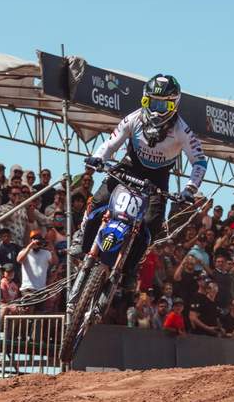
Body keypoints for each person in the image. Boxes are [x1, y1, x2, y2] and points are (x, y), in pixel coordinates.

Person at [75, 73, 206, 291]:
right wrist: (98, 158)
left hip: (157, 180)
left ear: (174, 105)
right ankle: (81, 241)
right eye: (152, 103)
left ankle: (129, 270)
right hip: (128, 168)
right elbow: (111, 143)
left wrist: (190, 189)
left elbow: (199, 161)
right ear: (144, 99)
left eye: (163, 106)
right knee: (98, 201)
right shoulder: (133, 118)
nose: (156, 111)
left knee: (151, 224)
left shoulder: (182, 131)